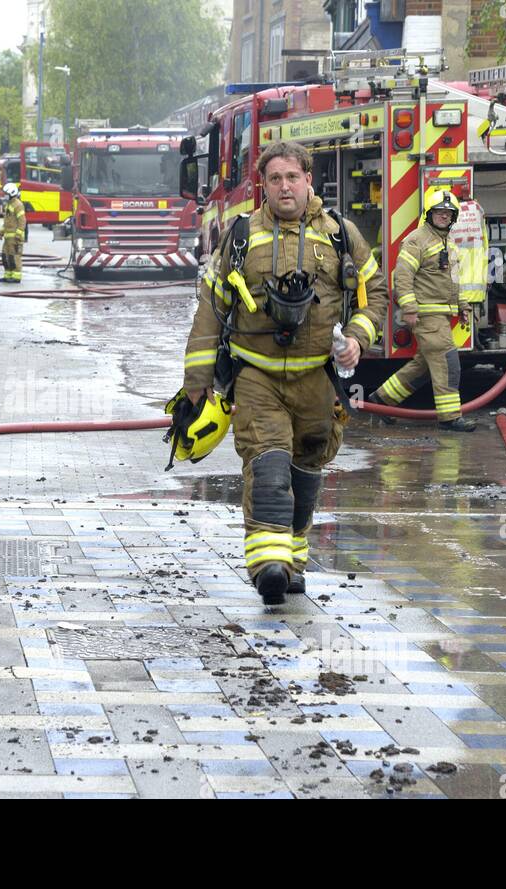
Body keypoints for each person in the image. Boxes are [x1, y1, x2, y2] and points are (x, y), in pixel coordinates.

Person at [179, 140, 386, 606]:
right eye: (275, 179)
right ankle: (267, 566)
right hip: (258, 376)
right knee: (268, 463)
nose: (285, 186)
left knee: (306, 472)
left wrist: (357, 336)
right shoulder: (241, 236)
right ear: (263, 186)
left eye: (292, 177)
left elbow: (375, 291)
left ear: (309, 179)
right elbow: (211, 309)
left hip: (317, 379)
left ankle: (292, 562)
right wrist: (196, 384)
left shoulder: (340, 235)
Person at [367, 188, 477, 431]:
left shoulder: (448, 243)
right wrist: (408, 307)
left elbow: (454, 281)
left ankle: (382, 399)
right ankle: (449, 418)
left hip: (441, 314)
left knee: (424, 366)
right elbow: (402, 276)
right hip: (427, 315)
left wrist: (463, 306)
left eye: (448, 213)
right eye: (439, 212)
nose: (444, 216)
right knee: (448, 362)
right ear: (429, 214)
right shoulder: (417, 240)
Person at [0, 183, 26, 284]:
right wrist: (2, 231)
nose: (5, 195)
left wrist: (18, 234)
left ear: (12, 193)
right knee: (5, 257)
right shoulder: (9, 204)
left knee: (14, 257)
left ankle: (16, 276)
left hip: (14, 238)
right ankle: (8, 275)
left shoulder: (18, 205)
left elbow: (22, 221)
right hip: (7, 237)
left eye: (6, 193)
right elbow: (7, 221)